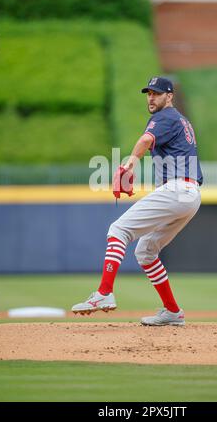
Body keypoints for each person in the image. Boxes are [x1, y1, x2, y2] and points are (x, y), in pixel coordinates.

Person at [72, 77, 203, 326]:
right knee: (145, 252)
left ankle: (103, 293)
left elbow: (145, 141)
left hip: (177, 189)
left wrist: (130, 162)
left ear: (169, 96)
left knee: (118, 230)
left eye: (157, 93)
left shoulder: (165, 117)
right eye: (149, 93)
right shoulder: (181, 120)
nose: (151, 98)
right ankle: (173, 312)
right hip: (189, 194)